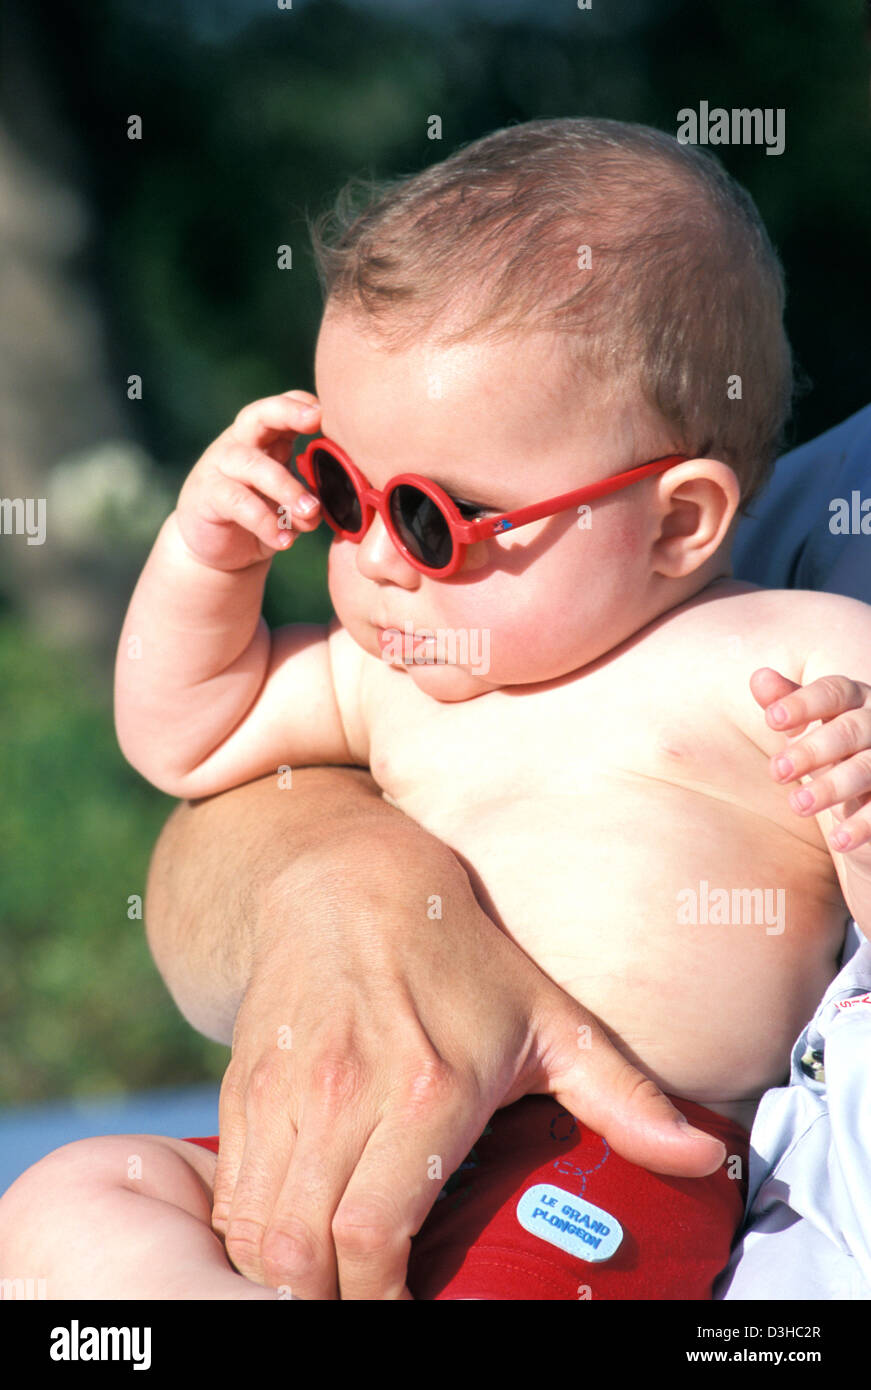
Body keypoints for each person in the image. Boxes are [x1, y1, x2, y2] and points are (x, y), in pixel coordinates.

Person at [3, 117, 871, 1300]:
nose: (375, 559)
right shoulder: (394, 674)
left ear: (676, 522)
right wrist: (208, 554)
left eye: (431, 515)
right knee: (70, 1201)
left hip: (599, 1166)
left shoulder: (777, 660)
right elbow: (187, 735)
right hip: (339, 1142)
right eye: (340, 489)